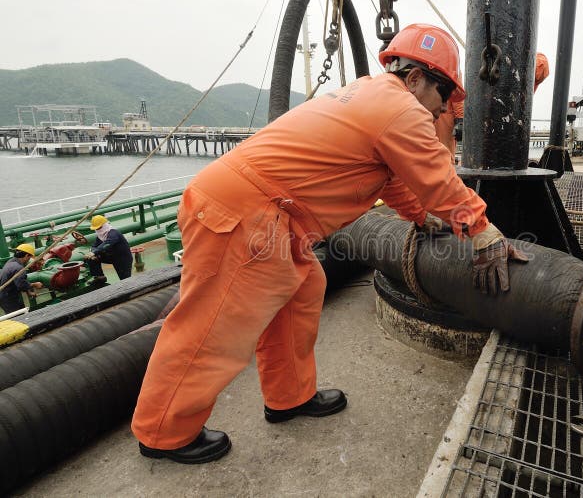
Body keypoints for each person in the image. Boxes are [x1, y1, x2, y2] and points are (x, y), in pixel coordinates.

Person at [131, 23, 527, 464]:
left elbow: (393, 180)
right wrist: (481, 229)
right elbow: (438, 179)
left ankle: (289, 397)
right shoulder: (401, 109)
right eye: (441, 96)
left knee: (302, 289)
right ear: (415, 78)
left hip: (266, 214)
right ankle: (165, 431)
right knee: (213, 325)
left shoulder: (370, 97)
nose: (439, 113)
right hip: (246, 213)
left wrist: (420, 217)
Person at [433, 52, 549, 163]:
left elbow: (542, 66)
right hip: (485, 117)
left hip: (509, 122)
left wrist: (514, 65)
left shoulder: (535, 62)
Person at [83, 215, 133, 284]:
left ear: (104, 225)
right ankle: (99, 277)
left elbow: (107, 243)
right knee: (91, 259)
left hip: (122, 258)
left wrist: (94, 252)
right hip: (110, 256)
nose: (98, 230)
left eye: (99, 227)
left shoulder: (113, 233)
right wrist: (92, 252)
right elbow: (94, 246)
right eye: (96, 228)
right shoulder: (100, 236)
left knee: (125, 280)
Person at [0, 244, 44, 314]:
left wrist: (29, 292)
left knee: (22, 310)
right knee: (16, 317)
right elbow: (21, 285)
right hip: (8, 297)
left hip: (8, 294)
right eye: (30, 257)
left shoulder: (10, 261)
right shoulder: (18, 268)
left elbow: (20, 280)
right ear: (26, 256)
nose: (29, 260)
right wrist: (35, 284)